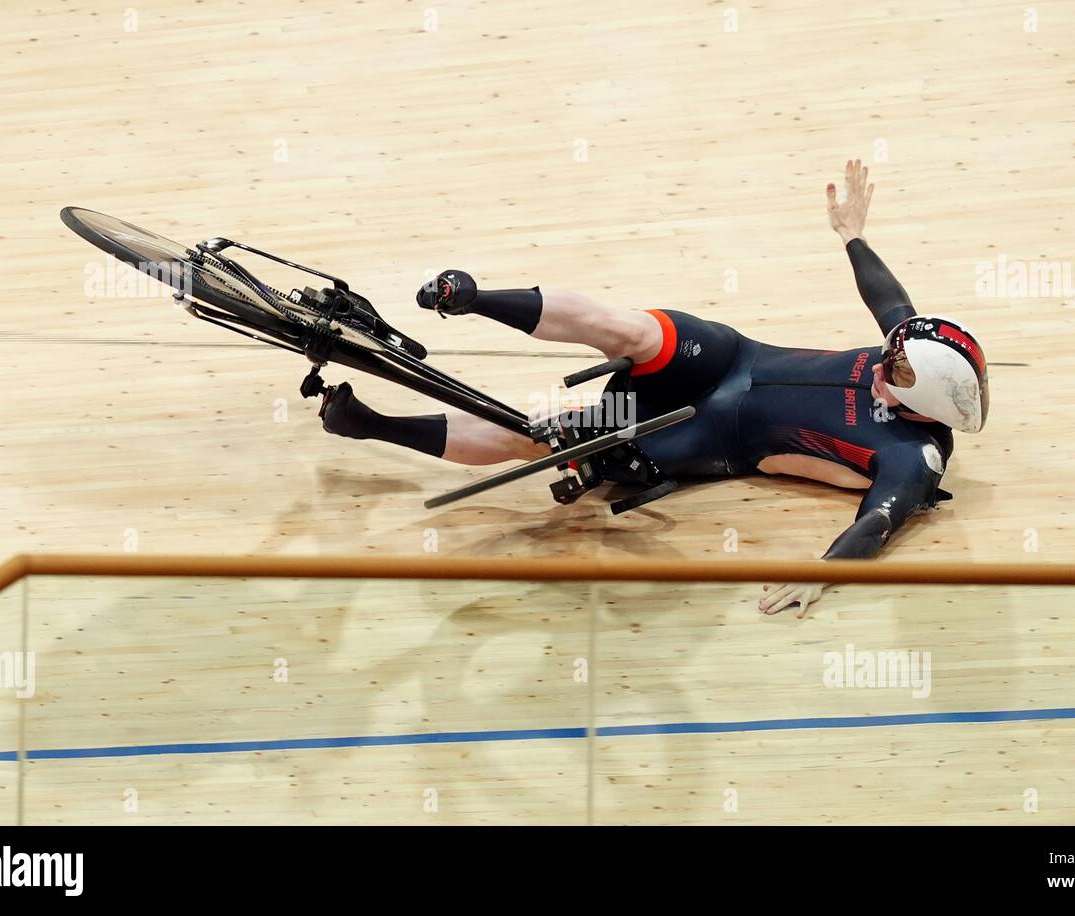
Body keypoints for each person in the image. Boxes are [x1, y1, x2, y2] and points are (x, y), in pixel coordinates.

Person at [318, 161, 989, 618]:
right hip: (727, 358)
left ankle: (370, 424)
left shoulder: (914, 457)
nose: (885, 357)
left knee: (539, 436)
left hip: (708, 433)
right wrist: (854, 236)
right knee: (629, 328)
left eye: (896, 369)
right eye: (893, 353)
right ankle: (470, 297)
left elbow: (877, 522)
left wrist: (822, 575)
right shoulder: (912, 354)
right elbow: (890, 299)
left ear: (925, 399)